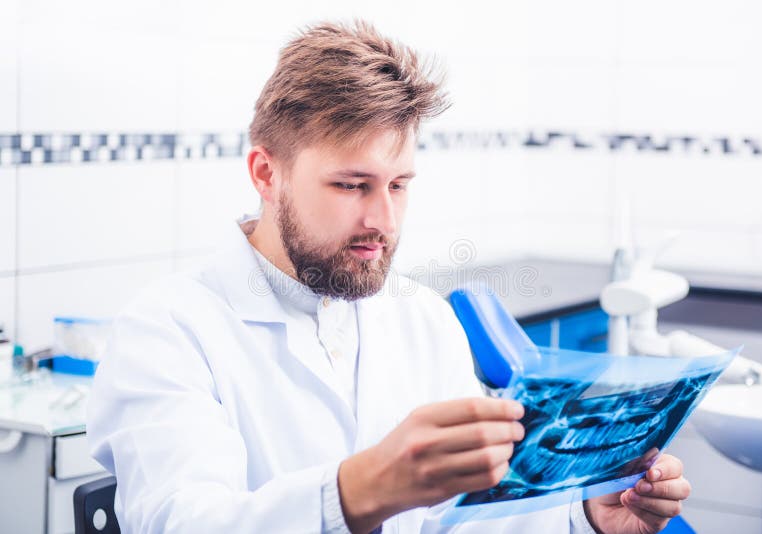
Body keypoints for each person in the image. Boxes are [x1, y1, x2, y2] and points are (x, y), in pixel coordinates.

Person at [87, 20, 691, 534]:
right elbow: (187, 521)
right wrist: (357, 491)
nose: (382, 220)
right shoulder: (167, 332)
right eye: (351, 185)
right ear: (265, 174)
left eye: (398, 186)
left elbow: (466, 516)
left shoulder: (420, 319)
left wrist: (584, 516)